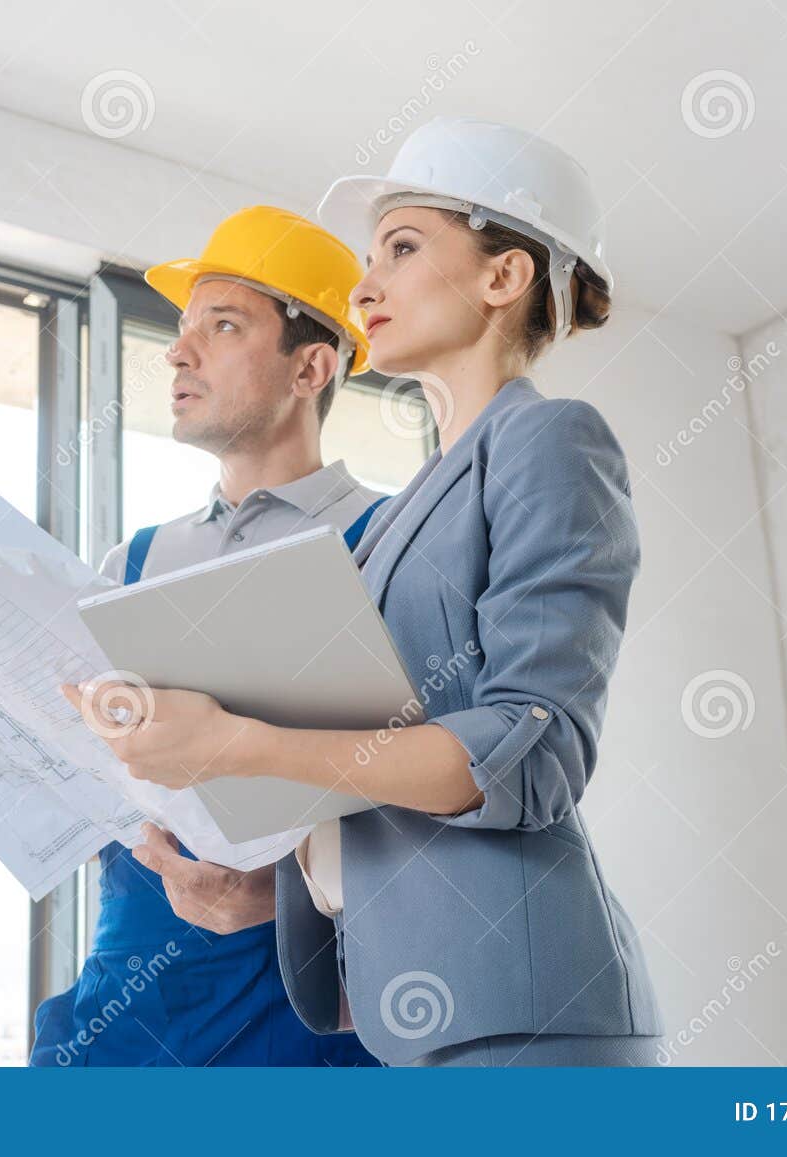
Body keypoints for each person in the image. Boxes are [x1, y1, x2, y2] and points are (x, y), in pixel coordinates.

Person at [62, 118, 664, 1067]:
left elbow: (530, 755)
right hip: (407, 1004)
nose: (365, 283)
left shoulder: (550, 439)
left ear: (502, 279)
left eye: (402, 248)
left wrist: (237, 741)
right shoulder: (402, 514)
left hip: (522, 1003)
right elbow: (380, 763)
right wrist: (281, 887)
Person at [0, 206, 383, 1067]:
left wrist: (287, 893)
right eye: (182, 329)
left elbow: (449, 789)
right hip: (128, 1000)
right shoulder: (136, 560)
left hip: (306, 1013)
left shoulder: (394, 541)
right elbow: (85, 775)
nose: (178, 352)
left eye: (222, 326)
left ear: (312, 364)